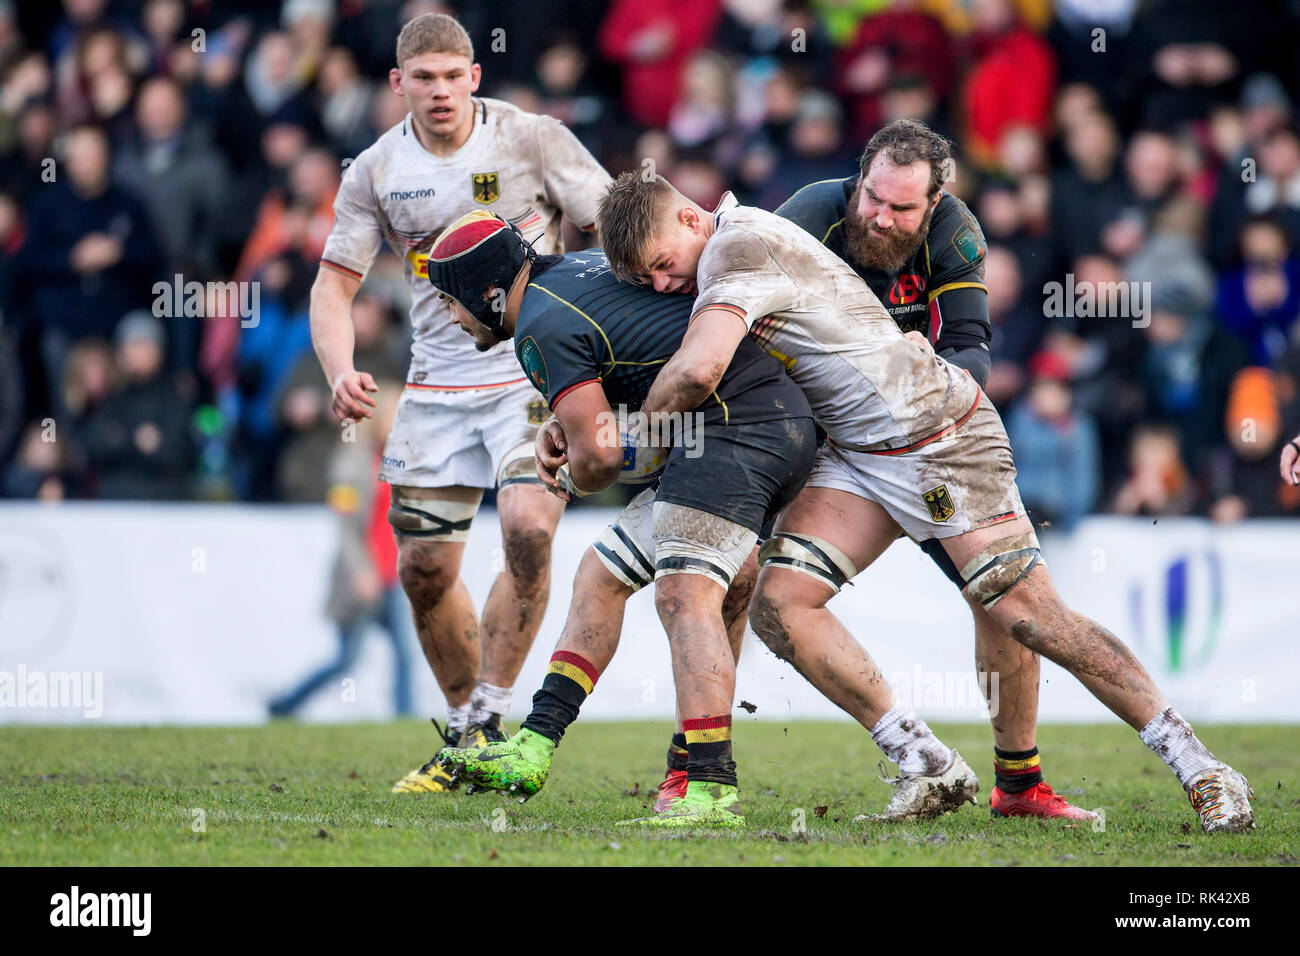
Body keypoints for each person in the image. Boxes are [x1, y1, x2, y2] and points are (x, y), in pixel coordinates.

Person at [596, 169, 1255, 834]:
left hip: (935, 435)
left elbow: (699, 368)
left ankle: (1202, 767)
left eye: (659, 266)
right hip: (859, 452)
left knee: (1026, 612)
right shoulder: (746, 239)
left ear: (688, 220)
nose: (661, 284)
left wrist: (629, 440)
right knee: (780, 604)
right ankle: (926, 760)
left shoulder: (730, 252)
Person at [426, 210, 816, 826]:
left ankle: (710, 787)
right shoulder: (575, 270)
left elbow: (603, 456)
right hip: (764, 419)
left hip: (736, 430)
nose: (450, 317)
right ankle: (535, 744)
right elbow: (639, 359)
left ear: (489, 293)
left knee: (684, 596)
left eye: (450, 301)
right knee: (602, 575)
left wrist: (572, 470)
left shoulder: (538, 327)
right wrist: (583, 431)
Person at [309, 13, 611, 793]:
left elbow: (613, 222)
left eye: (453, 76)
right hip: (438, 387)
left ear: (475, 76)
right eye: (424, 78)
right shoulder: (374, 170)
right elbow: (333, 286)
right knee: (422, 569)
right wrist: (339, 368)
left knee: (528, 527)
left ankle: (485, 716)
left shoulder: (533, 138)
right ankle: (472, 734)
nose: (440, 91)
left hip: (532, 372)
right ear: (397, 84)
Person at [772, 119, 1094, 818]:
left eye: (902, 208)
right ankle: (707, 768)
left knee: (1005, 605)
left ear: (934, 202)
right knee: (761, 589)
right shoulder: (800, 221)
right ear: (857, 181)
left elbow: (973, 351)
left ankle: (1019, 784)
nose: (881, 217)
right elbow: (743, 333)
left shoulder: (957, 232)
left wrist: (923, 389)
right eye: (872, 200)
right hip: (830, 448)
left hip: (926, 446)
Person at [269, 382, 415, 718]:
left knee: (405, 654)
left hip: (391, 574)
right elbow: (346, 525)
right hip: (363, 575)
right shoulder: (353, 461)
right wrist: (360, 571)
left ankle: (404, 720)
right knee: (346, 660)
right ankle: (283, 705)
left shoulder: (399, 461)